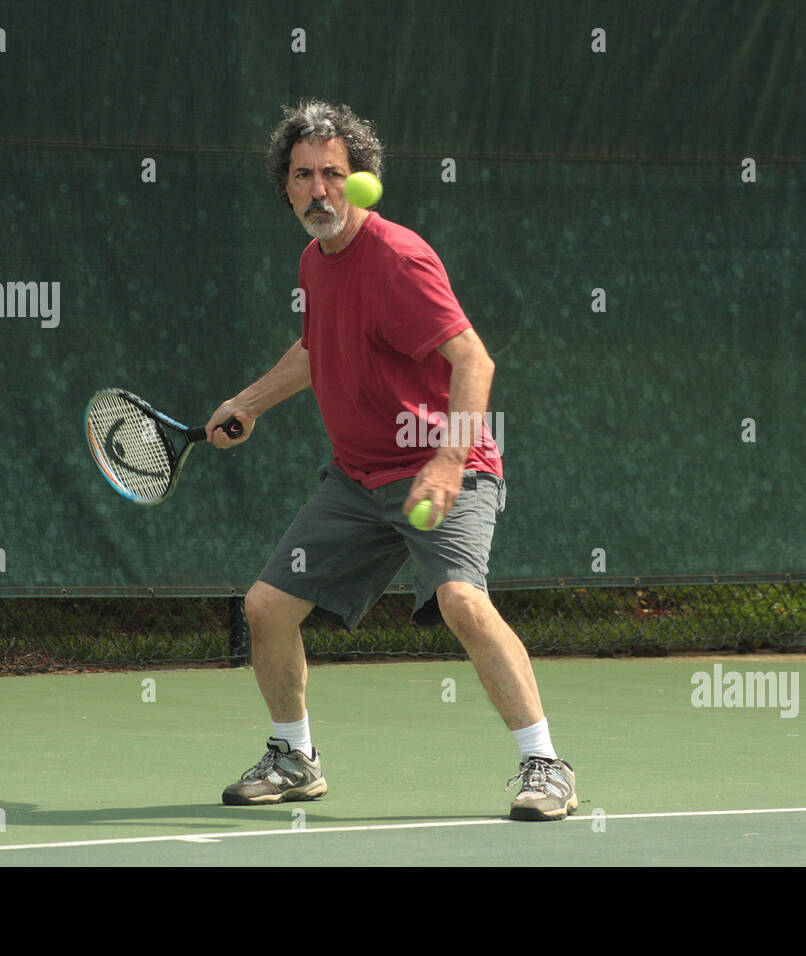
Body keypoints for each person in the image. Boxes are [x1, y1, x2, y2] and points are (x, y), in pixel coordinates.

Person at [204, 99, 576, 821]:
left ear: (360, 179)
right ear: (285, 185)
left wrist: (445, 459)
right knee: (267, 607)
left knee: (462, 601)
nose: (320, 191)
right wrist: (247, 401)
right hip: (357, 477)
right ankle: (294, 758)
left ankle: (545, 766)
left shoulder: (399, 258)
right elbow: (316, 349)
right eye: (305, 175)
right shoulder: (315, 260)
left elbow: (473, 358)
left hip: (444, 467)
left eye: (335, 175)